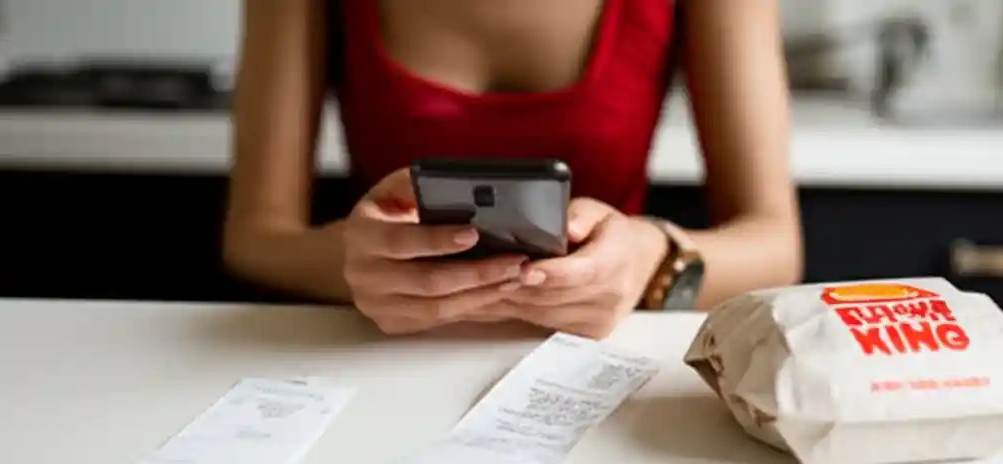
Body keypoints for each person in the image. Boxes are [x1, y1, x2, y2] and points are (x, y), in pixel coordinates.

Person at [224, 0, 803, 338]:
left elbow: (774, 243)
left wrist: (650, 258)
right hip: (382, 358)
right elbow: (256, 238)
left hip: (604, 368)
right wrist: (354, 266)